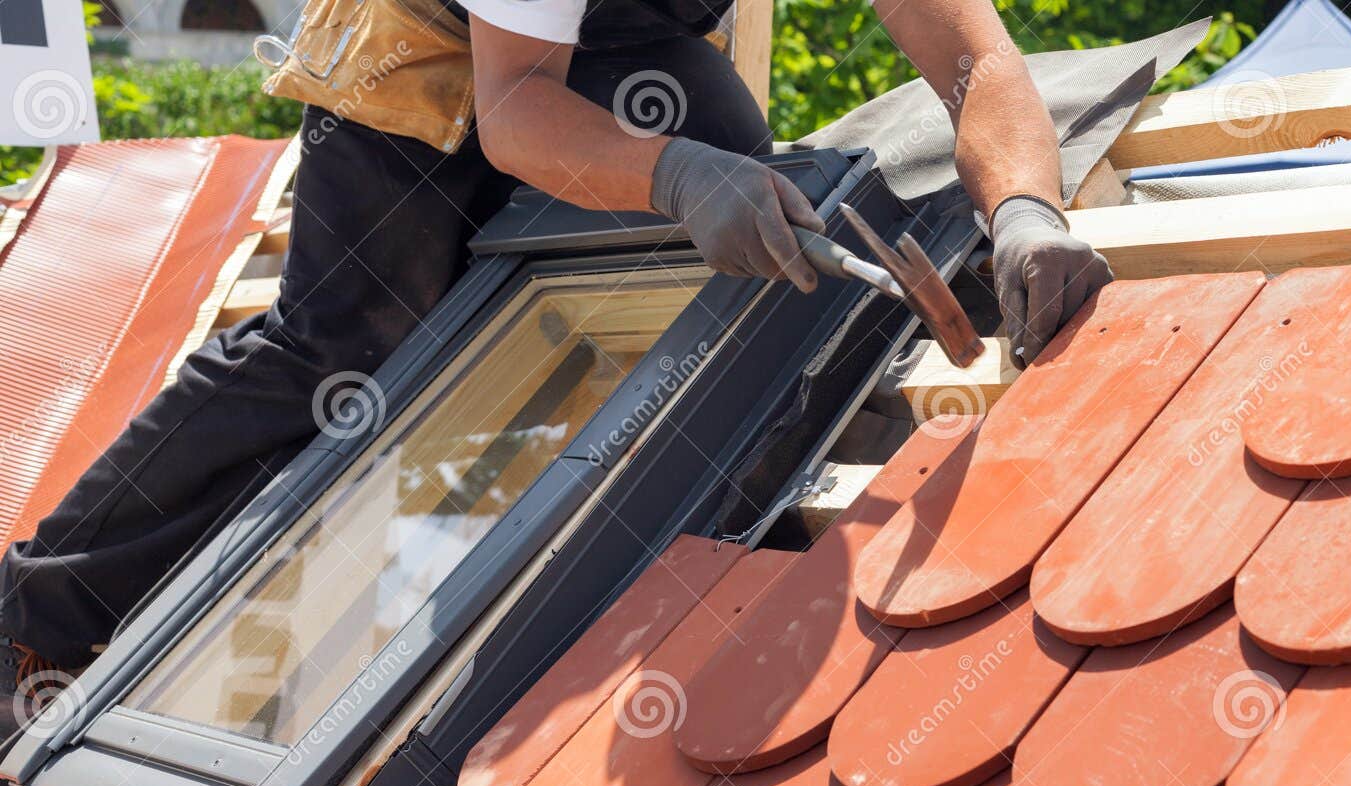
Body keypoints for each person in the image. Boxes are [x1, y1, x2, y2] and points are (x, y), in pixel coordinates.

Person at [0, 0, 1111, 741]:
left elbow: (979, 65)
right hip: (418, 43)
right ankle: (34, 614)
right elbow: (519, 107)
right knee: (348, 346)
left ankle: (682, 498)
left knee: (725, 132)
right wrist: (673, 179)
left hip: (604, 39)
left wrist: (1023, 207)